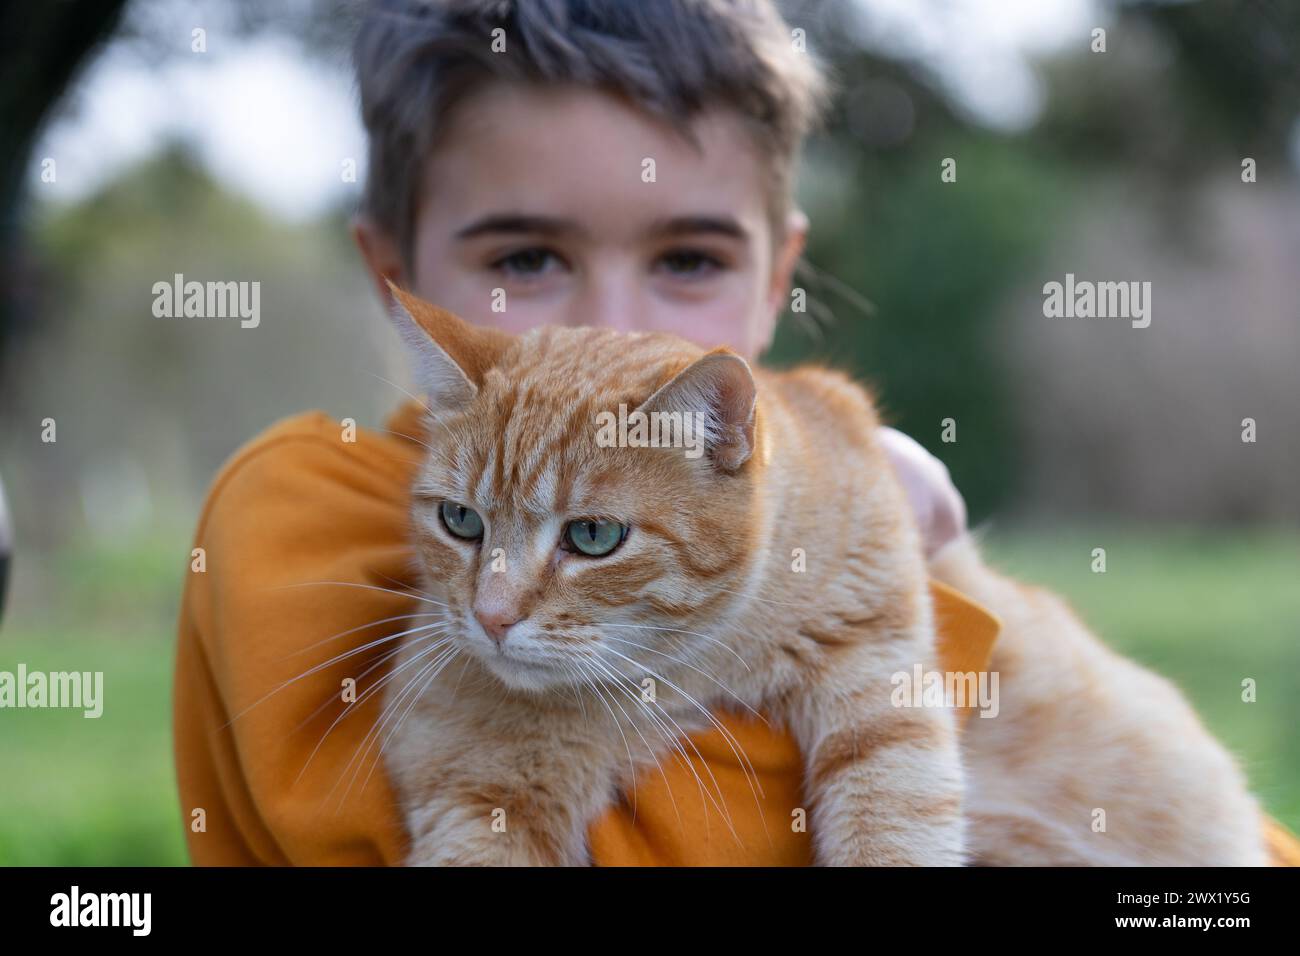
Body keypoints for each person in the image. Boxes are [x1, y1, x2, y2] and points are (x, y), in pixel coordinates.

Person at [173, 0, 989, 866]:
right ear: (390, 275)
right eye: (524, 259)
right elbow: (690, 840)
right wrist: (924, 604)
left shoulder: (797, 489)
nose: (612, 322)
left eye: (687, 261)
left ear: (778, 276)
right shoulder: (294, 498)